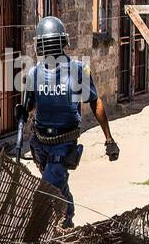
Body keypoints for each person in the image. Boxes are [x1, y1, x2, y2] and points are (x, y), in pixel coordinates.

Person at [18, 16, 119, 226]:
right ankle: (68, 212)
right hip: (40, 142)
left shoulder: (77, 70)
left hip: (64, 143)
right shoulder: (35, 73)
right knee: (57, 183)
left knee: (46, 190)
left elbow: (95, 102)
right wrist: (22, 111)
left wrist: (109, 139)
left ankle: (63, 223)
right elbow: (28, 106)